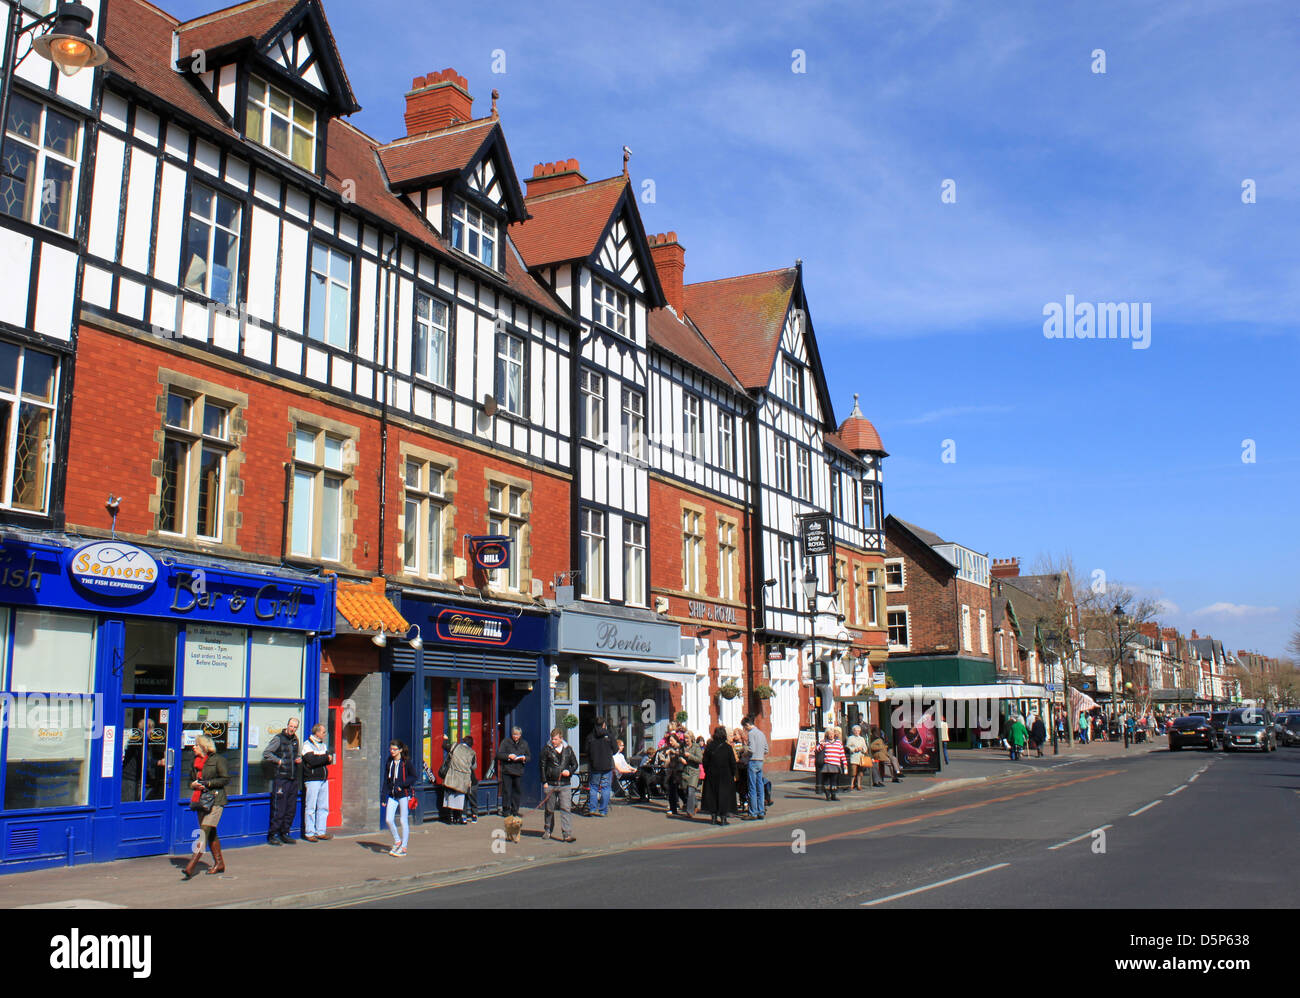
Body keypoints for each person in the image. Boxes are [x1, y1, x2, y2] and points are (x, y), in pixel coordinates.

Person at [183, 734, 229, 879]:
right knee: (210, 832)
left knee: (203, 831)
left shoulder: (218, 760)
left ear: (203, 747)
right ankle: (219, 864)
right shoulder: (195, 762)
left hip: (215, 801)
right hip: (201, 801)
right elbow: (189, 780)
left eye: (196, 745)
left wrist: (208, 783)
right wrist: (193, 784)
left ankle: (191, 866)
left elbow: (225, 779)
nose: (193, 747)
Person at [262, 717, 301, 845]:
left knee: (291, 808)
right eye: (291, 726)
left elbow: (297, 755)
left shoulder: (295, 739)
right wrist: (278, 761)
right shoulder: (278, 738)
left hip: (293, 777)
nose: (292, 729)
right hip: (281, 778)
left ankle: (285, 832)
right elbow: (267, 753)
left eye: (295, 727)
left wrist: (298, 759)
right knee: (279, 807)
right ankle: (272, 834)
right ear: (287, 725)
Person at [540, 728, 578, 842]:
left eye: (555, 739)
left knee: (565, 808)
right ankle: (548, 830)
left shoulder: (568, 750)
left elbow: (575, 764)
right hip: (551, 784)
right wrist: (544, 782)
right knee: (549, 809)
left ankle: (567, 834)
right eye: (552, 739)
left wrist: (569, 771)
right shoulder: (546, 750)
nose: (553, 741)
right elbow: (542, 766)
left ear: (561, 739)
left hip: (565, 784)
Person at [301, 723, 333, 842]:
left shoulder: (323, 745)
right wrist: (324, 758)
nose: (325, 734)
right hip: (312, 779)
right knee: (311, 807)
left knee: (323, 806)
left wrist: (322, 759)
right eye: (323, 732)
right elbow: (311, 761)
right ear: (317, 732)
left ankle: (321, 831)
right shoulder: (307, 744)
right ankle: (309, 832)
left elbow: (330, 759)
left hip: (323, 779)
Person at [383, 740, 414, 856]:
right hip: (392, 794)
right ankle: (397, 841)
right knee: (388, 819)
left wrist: (403, 785)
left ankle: (404, 848)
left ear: (400, 750)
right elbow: (386, 780)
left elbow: (414, 776)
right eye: (391, 749)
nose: (392, 751)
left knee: (403, 820)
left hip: (403, 795)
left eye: (394, 749)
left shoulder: (406, 762)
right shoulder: (389, 762)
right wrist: (383, 797)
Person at [701, 726, 736, 825]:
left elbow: (705, 761)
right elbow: (732, 762)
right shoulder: (728, 747)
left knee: (712, 795)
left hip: (712, 775)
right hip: (725, 776)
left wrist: (708, 771)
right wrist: (732, 774)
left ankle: (713, 817)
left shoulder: (709, 746)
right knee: (724, 796)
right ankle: (723, 818)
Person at [495, 726, 530, 817]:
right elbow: (499, 755)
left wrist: (524, 758)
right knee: (506, 791)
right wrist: (508, 756)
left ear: (520, 735)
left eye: (517, 735)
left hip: (518, 770)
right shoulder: (506, 742)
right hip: (507, 770)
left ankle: (515, 810)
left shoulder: (524, 743)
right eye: (514, 734)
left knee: (517, 791)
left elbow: (529, 756)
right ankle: (506, 810)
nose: (516, 736)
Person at [584, 717, 615, 817]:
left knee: (593, 787)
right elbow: (615, 749)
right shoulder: (609, 736)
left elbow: (586, 750)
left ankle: (592, 808)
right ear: (604, 724)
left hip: (595, 766)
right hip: (607, 765)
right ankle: (603, 810)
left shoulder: (590, 737)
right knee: (605, 788)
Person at [442, 736, 476, 824]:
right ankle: (458, 818)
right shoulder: (472, 753)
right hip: (463, 779)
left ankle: (450, 818)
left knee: (449, 797)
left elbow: (444, 746)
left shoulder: (455, 746)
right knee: (459, 799)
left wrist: (445, 738)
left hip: (452, 776)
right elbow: (474, 766)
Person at [741, 716, 767, 820]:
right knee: (760, 786)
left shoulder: (751, 733)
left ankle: (753, 813)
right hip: (760, 761)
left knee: (752, 787)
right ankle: (761, 811)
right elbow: (766, 749)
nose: (745, 730)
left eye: (744, 727)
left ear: (747, 725)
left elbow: (751, 749)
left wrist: (744, 754)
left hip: (753, 761)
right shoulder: (761, 733)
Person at [677, 731, 703, 818]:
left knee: (691, 790)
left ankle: (689, 812)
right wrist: (681, 759)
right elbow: (679, 755)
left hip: (694, 772)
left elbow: (700, 759)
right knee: (687, 791)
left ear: (691, 738)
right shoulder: (682, 746)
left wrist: (690, 756)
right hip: (685, 771)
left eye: (687, 738)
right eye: (685, 738)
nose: (686, 740)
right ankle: (695, 804)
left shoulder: (696, 747)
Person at [818, 727, 847, 801]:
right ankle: (828, 795)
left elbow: (842, 754)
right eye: (829, 734)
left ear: (834, 734)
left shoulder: (839, 743)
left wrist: (845, 763)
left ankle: (833, 795)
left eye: (832, 734)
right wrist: (822, 744)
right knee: (826, 781)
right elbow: (816, 749)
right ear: (827, 735)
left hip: (836, 765)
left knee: (834, 781)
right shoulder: (824, 742)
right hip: (827, 764)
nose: (831, 735)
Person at [846, 724, 868, 791]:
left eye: (858, 731)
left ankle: (859, 784)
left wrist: (862, 749)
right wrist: (854, 749)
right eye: (855, 731)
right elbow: (847, 747)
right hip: (854, 757)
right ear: (853, 731)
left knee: (860, 772)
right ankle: (851, 784)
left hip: (861, 757)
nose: (857, 732)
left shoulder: (862, 738)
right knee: (853, 772)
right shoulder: (850, 738)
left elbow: (865, 747)